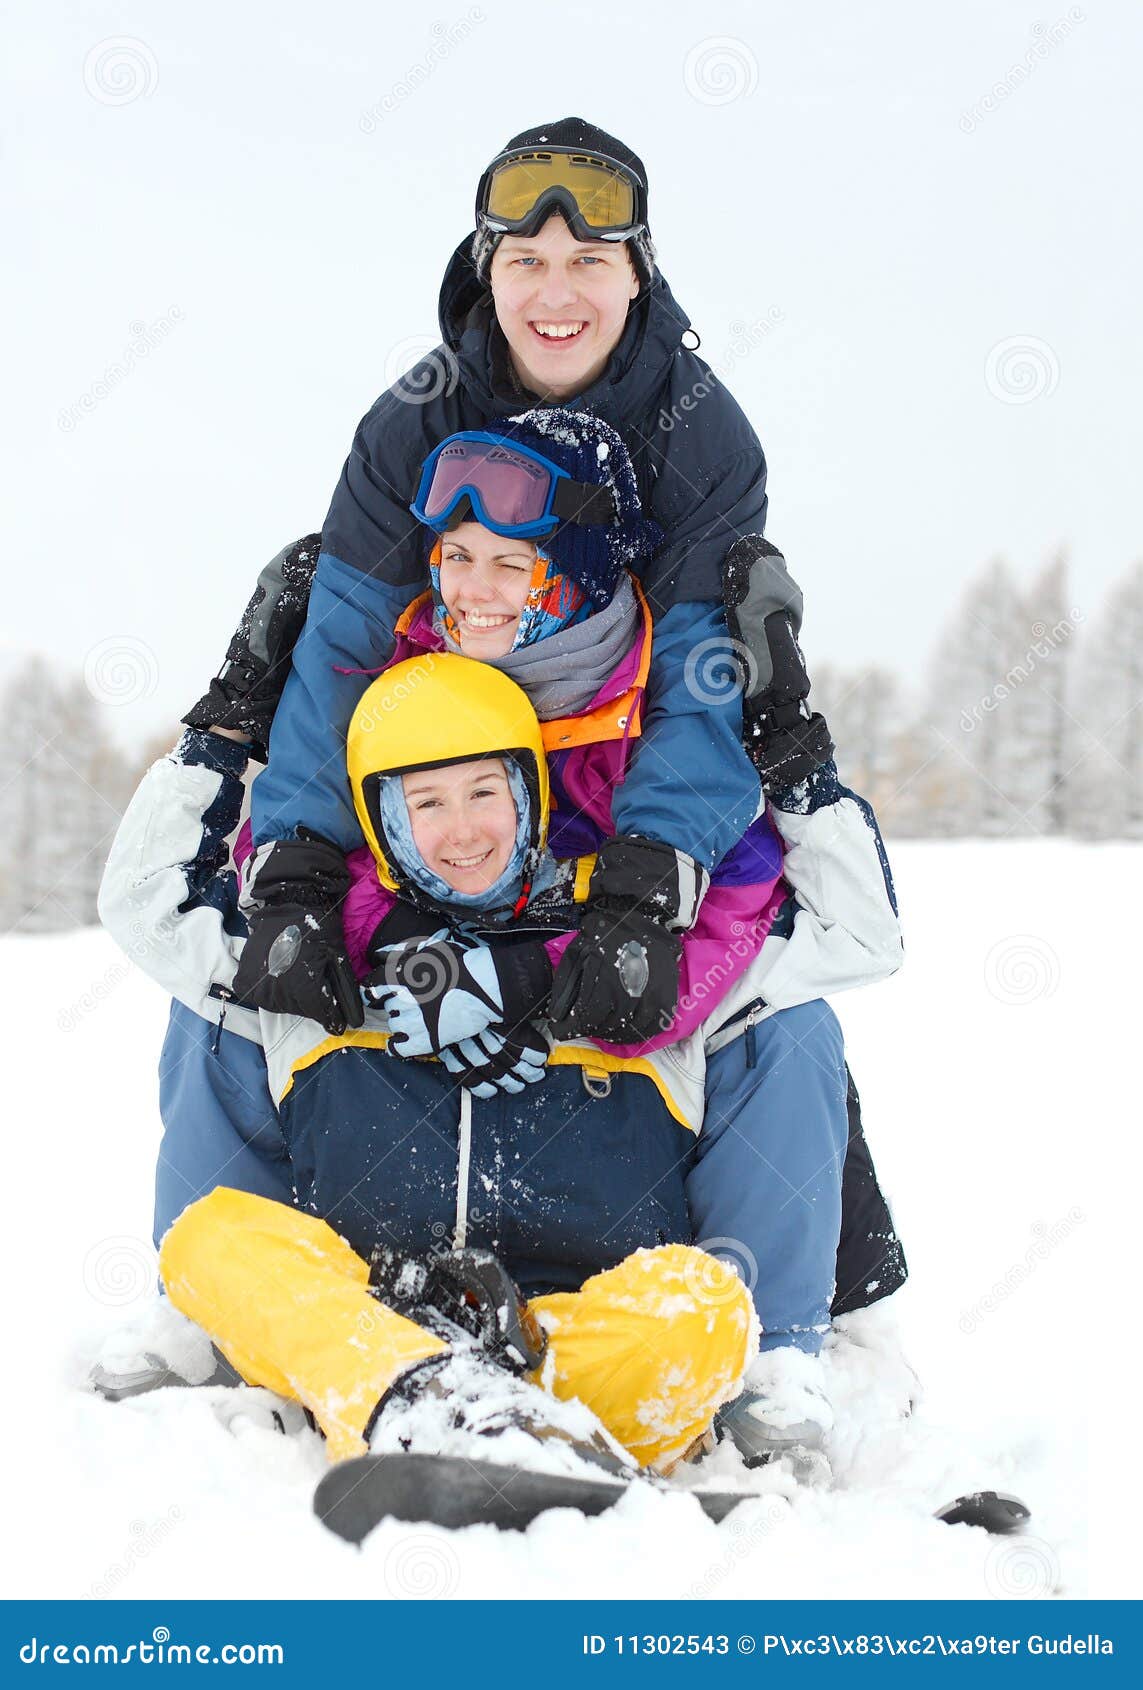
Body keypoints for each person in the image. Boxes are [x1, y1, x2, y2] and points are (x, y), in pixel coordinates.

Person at [232, 117, 830, 1052]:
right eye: (525, 262)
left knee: (780, 1037)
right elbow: (343, 646)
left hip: (610, 755)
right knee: (230, 1022)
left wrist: (648, 877)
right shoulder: (414, 421)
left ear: (638, 274)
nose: (557, 294)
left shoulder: (699, 431)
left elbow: (695, 673)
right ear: (488, 272)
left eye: (589, 261)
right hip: (455, 776)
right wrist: (299, 864)